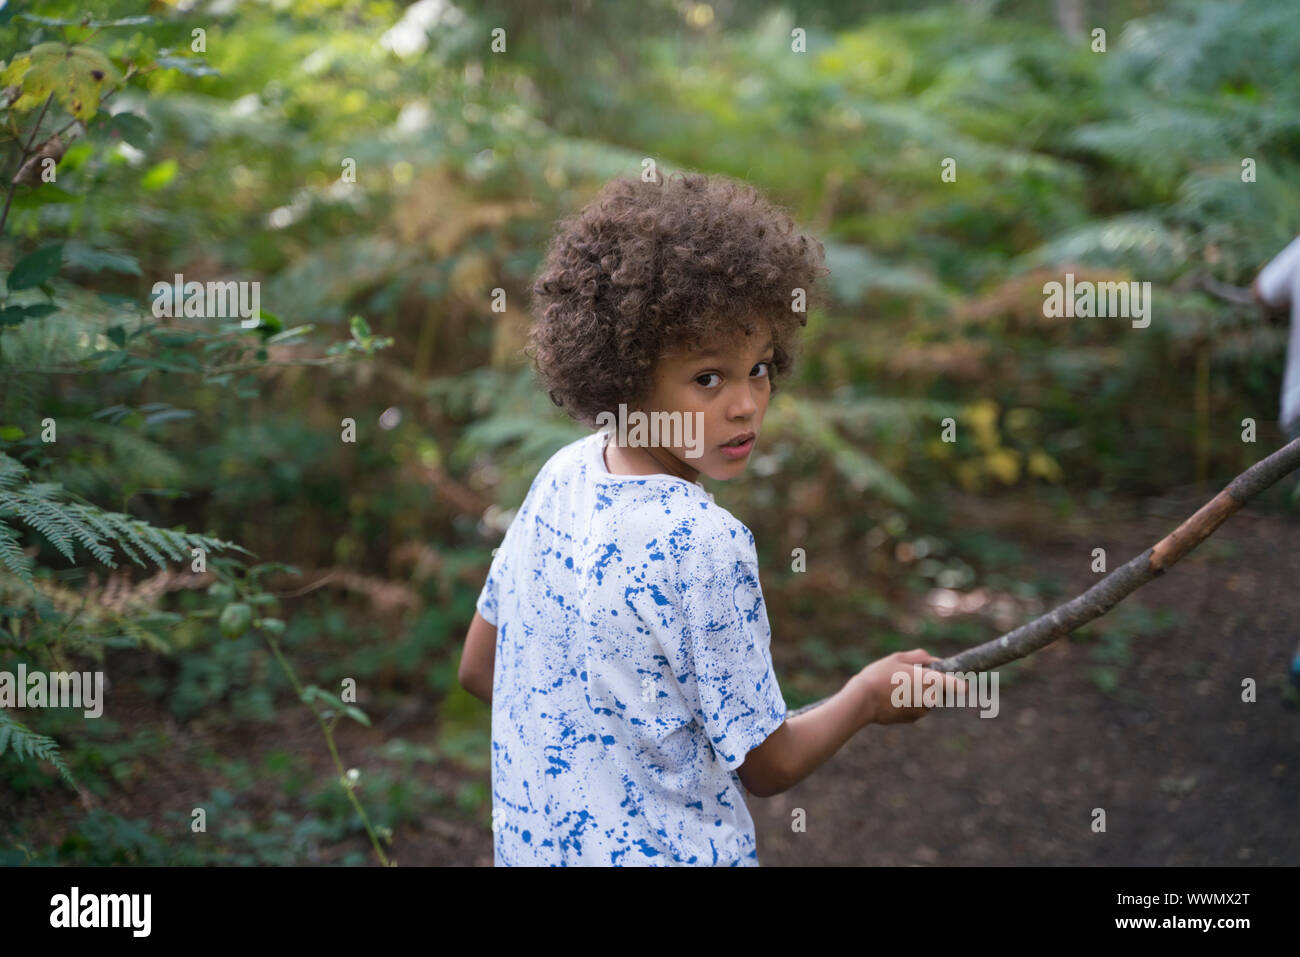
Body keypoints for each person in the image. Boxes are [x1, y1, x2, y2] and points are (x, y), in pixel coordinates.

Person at [457, 171, 965, 866]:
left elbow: (481, 667)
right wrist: (869, 697)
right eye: (708, 378)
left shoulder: (562, 476)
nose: (746, 404)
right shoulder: (703, 542)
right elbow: (767, 765)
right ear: (626, 373)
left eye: (759, 368)